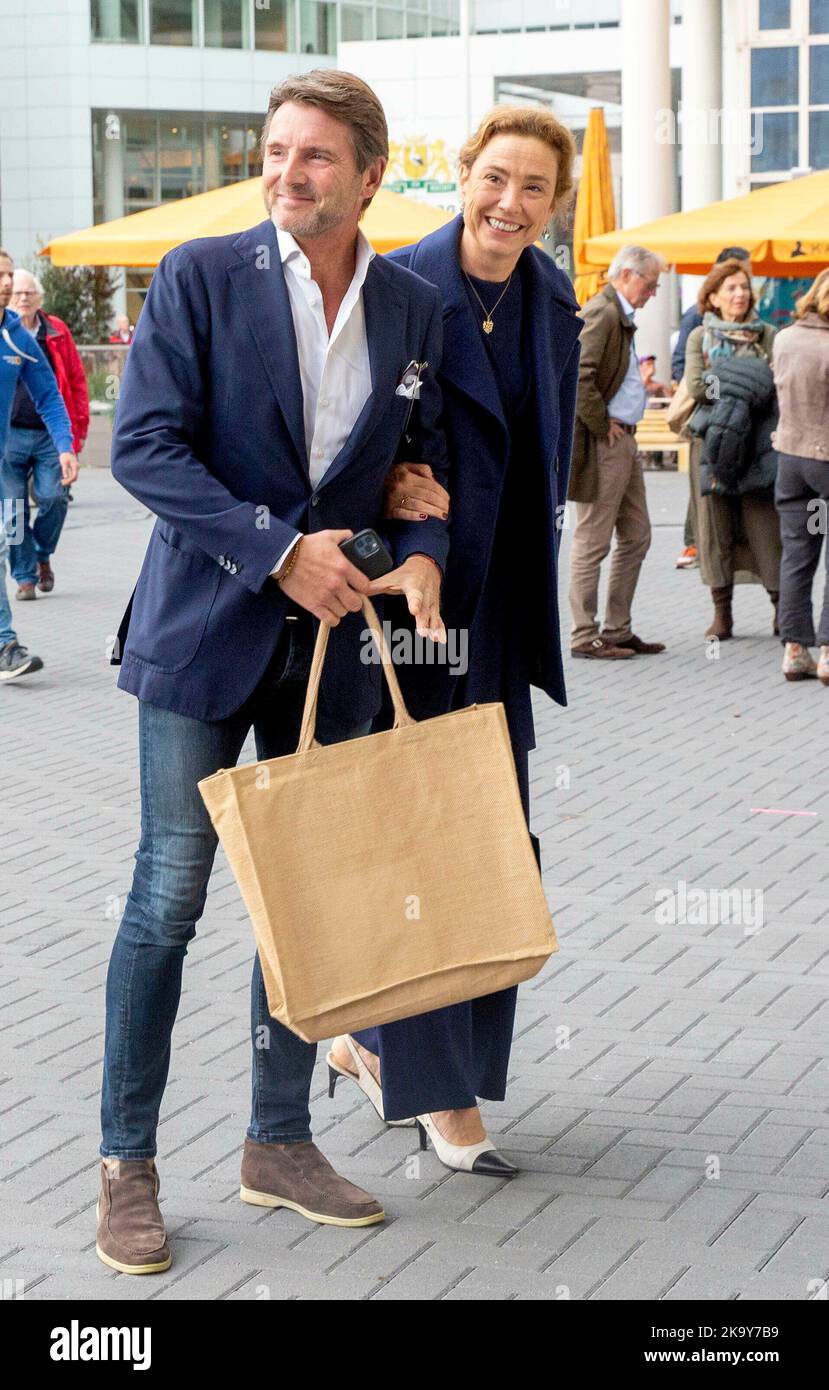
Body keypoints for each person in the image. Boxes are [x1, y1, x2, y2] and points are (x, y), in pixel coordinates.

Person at [97, 69, 450, 1275]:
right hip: (201, 634)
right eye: (275, 152)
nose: (285, 173)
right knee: (167, 898)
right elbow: (140, 448)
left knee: (305, 899)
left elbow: (420, 466)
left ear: (368, 173)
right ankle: (125, 1164)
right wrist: (274, 550)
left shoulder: (409, 306)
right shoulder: (201, 274)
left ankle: (278, 1141)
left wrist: (420, 550)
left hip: (331, 651)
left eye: (313, 157)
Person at [327, 104, 583, 1176]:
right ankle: (440, 1095)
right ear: (461, 177)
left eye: (533, 188)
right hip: (414, 615)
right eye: (494, 179)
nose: (509, 204)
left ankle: (379, 1041)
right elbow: (347, 446)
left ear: (554, 203)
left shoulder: (551, 296)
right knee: (427, 845)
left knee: (497, 845)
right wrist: (392, 505)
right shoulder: (404, 289)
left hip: (504, 619)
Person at [567, 245, 667, 659]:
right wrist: (598, 423)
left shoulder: (618, 314)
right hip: (605, 442)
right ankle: (584, 634)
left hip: (623, 439)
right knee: (593, 540)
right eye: (652, 283)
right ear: (628, 275)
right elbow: (579, 372)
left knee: (637, 534)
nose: (655, 292)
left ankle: (617, 629)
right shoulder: (605, 312)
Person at [683, 259, 781, 640]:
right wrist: (748, 383)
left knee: (766, 526)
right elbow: (696, 387)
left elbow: (776, 383)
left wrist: (724, 381)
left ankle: (781, 610)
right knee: (715, 527)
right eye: (731, 289)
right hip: (710, 445)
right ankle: (722, 614)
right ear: (713, 297)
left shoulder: (769, 334)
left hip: (759, 444)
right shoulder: (699, 337)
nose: (740, 294)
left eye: (744, 287)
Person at [0, 249, 77, 678]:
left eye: (10, 274)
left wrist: (65, 446)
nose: (8, 283)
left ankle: (4, 645)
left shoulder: (16, 336)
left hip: (14, 452)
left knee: (8, 532)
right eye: (1, 276)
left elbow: (48, 394)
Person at [2, 269, 88, 596]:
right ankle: (25, 577)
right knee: (13, 511)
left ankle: (41, 554)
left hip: (50, 436)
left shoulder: (56, 332)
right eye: (16, 294)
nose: (22, 298)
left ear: (39, 298)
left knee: (55, 497)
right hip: (9, 437)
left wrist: (73, 438)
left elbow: (74, 386)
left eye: (29, 293)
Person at [673, 247, 751, 571]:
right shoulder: (697, 322)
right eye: (734, 282)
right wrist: (723, 392)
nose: (742, 290)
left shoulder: (759, 331)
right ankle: (695, 545)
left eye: (745, 282)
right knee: (707, 494)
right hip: (709, 424)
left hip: (744, 427)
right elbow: (691, 376)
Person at [771, 269, 829, 682]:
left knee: (796, 555)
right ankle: (827, 651)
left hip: (790, 460)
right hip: (825, 457)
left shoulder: (785, 338)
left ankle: (795, 650)